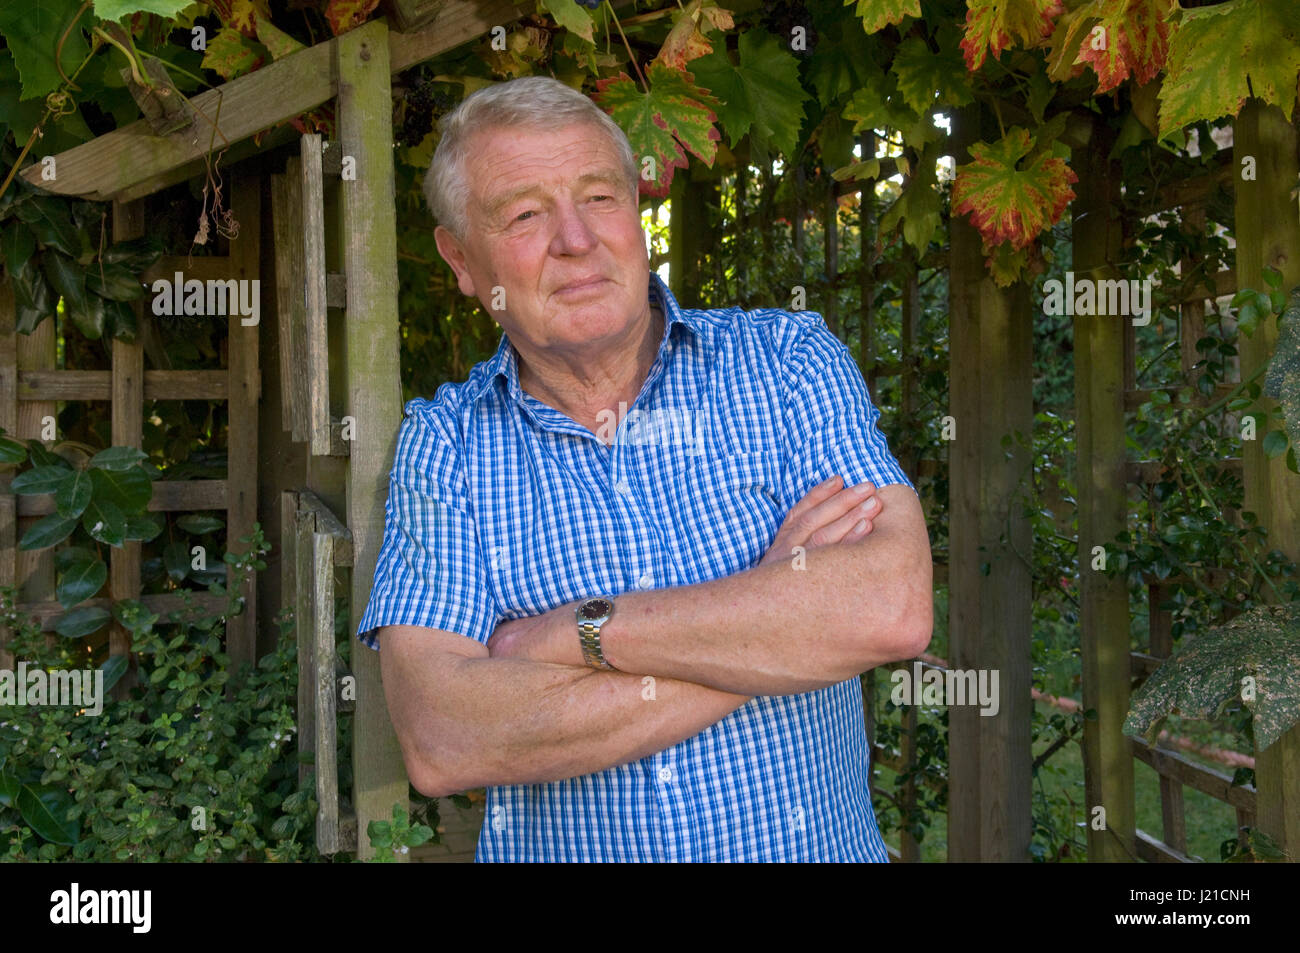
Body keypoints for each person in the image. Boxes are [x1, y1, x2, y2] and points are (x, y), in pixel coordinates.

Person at [356, 75, 933, 862]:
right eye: (525, 214)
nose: (576, 239)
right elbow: (443, 735)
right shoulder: (445, 445)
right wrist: (774, 624)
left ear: (638, 213)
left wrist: (576, 633)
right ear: (461, 258)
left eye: (599, 197)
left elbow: (888, 606)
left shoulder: (788, 361)